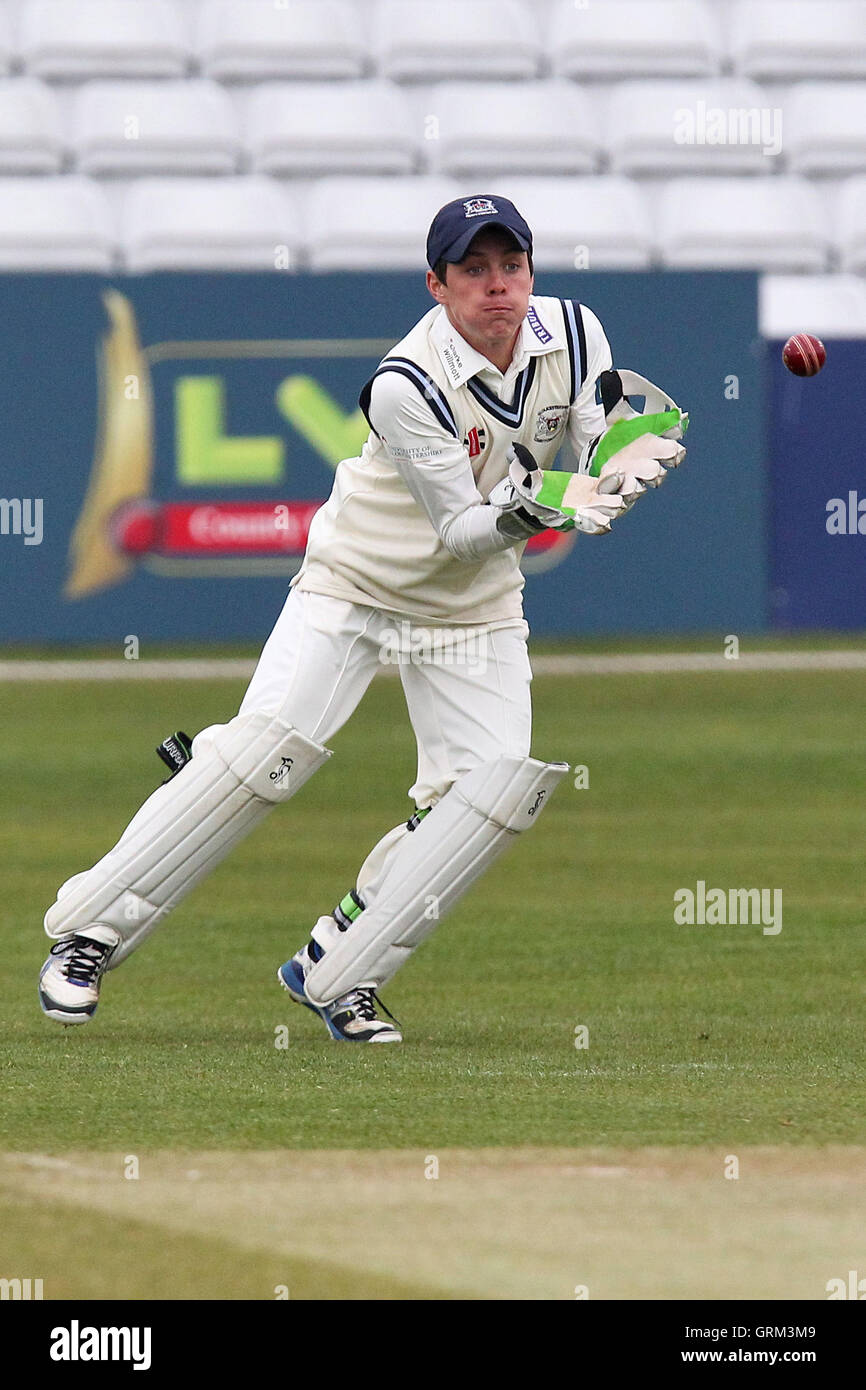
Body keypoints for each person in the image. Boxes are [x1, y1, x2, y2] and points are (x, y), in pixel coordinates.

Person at [39, 193, 687, 1043]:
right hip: (356, 582)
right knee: (264, 752)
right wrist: (554, 505)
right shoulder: (403, 385)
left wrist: (618, 471)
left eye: (512, 267)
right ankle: (87, 932)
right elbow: (460, 530)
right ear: (437, 283)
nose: (499, 288)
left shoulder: (574, 331)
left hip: (475, 608)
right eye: (474, 271)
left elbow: (597, 444)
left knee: (488, 796)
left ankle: (343, 964)